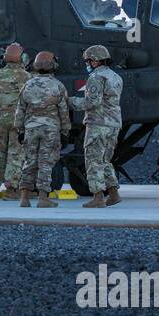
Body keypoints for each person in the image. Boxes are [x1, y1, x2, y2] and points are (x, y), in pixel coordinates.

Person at [14, 51, 72, 208]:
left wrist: (20, 130)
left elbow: (20, 110)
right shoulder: (58, 86)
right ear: (53, 66)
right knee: (45, 163)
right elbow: (64, 112)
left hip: (31, 129)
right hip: (50, 130)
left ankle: (24, 198)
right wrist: (65, 131)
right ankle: (42, 198)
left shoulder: (28, 85)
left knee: (29, 162)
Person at [68, 43, 123, 208]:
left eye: (88, 61)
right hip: (113, 124)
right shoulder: (115, 77)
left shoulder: (96, 77)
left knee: (93, 160)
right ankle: (113, 194)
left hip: (98, 123)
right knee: (105, 159)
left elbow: (92, 102)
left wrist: (70, 101)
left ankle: (98, 197)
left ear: (95, 61)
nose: (87, 64)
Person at [0, 42, 29, 200]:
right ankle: (11, 189)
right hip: (19, 122)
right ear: (22, 58)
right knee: (15, 154)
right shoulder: (27, 77)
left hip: (2, 120)